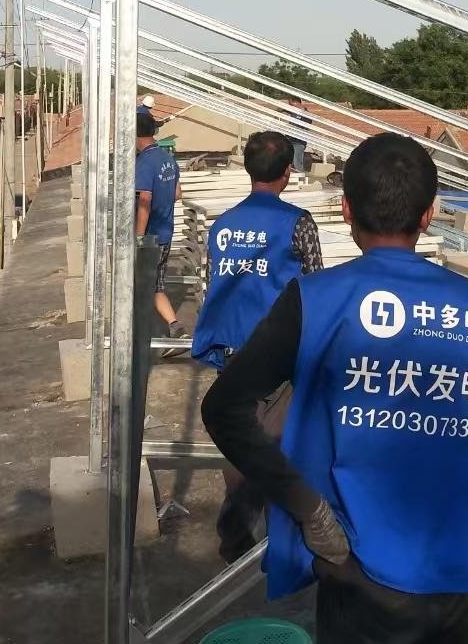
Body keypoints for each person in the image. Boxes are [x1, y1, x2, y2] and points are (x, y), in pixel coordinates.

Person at [202, 133, 468, 644]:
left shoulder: (315, 301)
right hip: (463, 580)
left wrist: (308, 509)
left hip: (358, 573)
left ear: (346, 209)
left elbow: (225, 408)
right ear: (429, 215)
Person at [192, 131, 325, 562]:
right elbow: (315, 286)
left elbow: (212, 284)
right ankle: (262, 540)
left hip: (232, 349)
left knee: (238, 437)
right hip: (275, 355)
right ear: (287, 172)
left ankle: (238, 538)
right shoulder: (297, 223)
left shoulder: (224, 225)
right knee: (276, 444)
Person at [135, 109, 183, 340]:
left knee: (145, 286)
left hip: (151, 236)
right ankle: (173, 327)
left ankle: (164, 331)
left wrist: (139, 238)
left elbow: (144, 200)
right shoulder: (167, 159)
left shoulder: (144, 163)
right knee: (156, 286)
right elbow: (177, 194)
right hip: (166, 231)